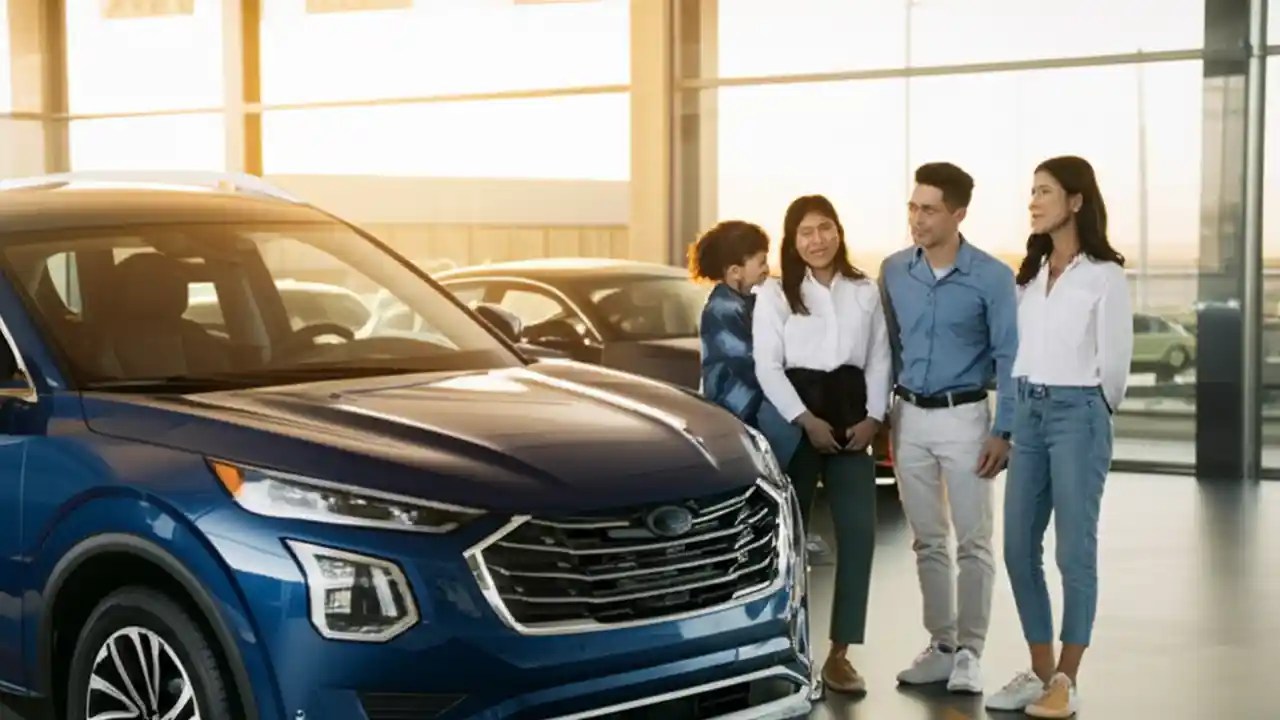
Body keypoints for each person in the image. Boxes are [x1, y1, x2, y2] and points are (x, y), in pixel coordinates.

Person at [985, 156, 1133, 719]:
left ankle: (1067, 679)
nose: (1033, 201)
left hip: (1079, 414)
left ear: (1075, 201)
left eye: (1044, 191)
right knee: (1019, 547)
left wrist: (1089, 407)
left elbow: (1113, 368)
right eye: (1031, 192)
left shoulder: (1104, 275)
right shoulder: (1030, 276)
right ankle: (1041, 671)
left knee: (1075, 550)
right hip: (1029, 411)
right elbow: (1018, 354)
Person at [878, 162, 1018, 695]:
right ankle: (940, 645)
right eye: (912, 207)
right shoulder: (893, 270)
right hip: (908, 419)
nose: (917, 219)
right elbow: (888, 348)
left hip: (966, 420)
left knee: (973, 541)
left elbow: (1009, 356)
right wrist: (882, 416)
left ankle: (969, 654)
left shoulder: (992, 276)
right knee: (927, 541)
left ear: (958, 213)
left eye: (929, 210)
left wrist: (1003, 430)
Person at [752, 194, 891, 695]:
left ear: (839, 231)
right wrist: (804, 419)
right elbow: (767, 365)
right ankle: (787, 650)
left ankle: (839, 655)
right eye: (805, 232)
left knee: (860, 536)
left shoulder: (864, 290)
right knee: (788, 544)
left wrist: (876, 416)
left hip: (854, 421)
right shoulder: (775, 293)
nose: (817, 240)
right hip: (798, 423)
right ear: (792, 240)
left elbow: (879, 358)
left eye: (825, 228)